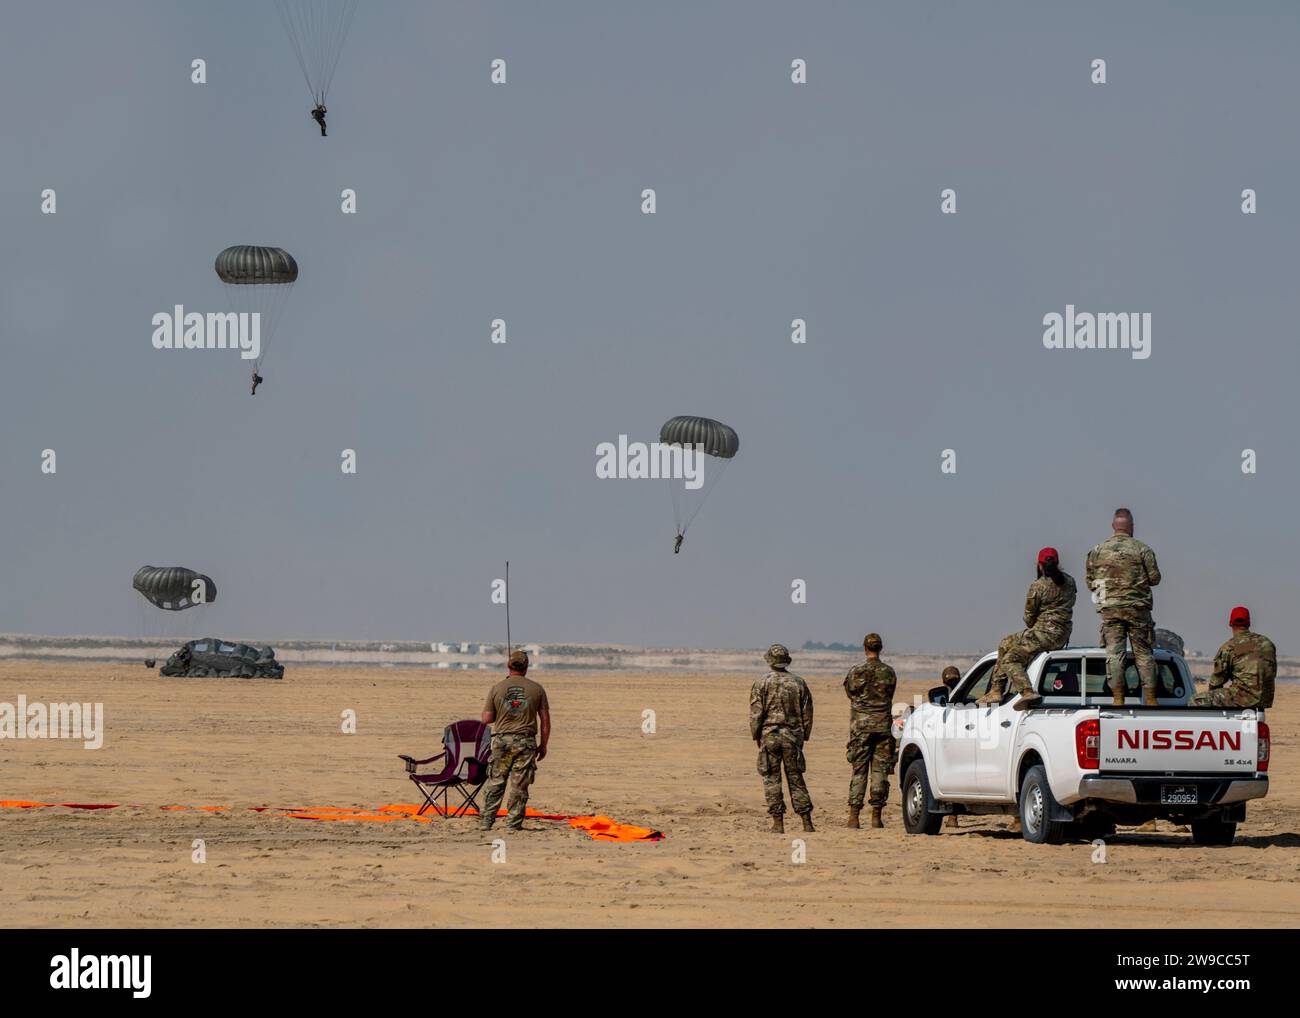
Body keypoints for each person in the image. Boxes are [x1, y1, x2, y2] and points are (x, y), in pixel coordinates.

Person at [979, 548, 1076, 710]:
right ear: (1058, 563)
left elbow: (1029, 619)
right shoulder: (1070, 582)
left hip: (1043, 635)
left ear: (1040, 565)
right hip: (1062, 635)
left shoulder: (1037, 586)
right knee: (1006, 642)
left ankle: (1026, 691)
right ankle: (996, 689)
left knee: (1010, 659)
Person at [1086, 508, 1161, 705]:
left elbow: (1090, 582)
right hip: (1138, 610)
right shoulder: (1142, 550)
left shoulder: (1097, 551)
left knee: (1114, 654)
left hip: (1110, 611)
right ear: (1132, 527)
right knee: (1144, 654)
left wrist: (1105, 596)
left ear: (1113, 526)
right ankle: (1151, 699)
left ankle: (1118, 699)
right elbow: (1155, 579)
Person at [479, 649, 550, 831]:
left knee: (496, 782)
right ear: (526, 667)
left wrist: (504, 712)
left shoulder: (497, 688)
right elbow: (545, 722)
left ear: (508, 666)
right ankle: (512, 824)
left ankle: (486, 822)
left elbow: (486, 718)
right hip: (526, 743)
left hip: (501, 742)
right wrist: (544, 745)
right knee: (519, 785)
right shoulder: (537, 689)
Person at [750, 643, 814, 834]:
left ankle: (778, 823)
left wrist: (756, 735)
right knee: (796, 779)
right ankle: (806, 822)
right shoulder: (799, 683)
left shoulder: (761, 683)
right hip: (793, 737)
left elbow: (756, 713)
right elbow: (807, 714)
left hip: (770, 736)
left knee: (771, 779)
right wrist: (804, 736)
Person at [844, 633, 898, 829]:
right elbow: (890, 694)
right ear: (880, 648)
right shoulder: (889, 672)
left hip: (861, 726)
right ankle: (876, 816)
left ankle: (854, 816)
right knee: (880, 771)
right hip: (883, 725)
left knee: (859, 771)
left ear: (865, 648)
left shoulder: (855, 671)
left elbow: (850, 693)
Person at [1192, 606, 1276, 709]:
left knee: (1195, 701)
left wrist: (1213, 694)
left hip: (1242, 699)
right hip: (1265, 699)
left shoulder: (1229, 647)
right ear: (1249, 623)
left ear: (1230, 623)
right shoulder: (1267, 643)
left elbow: (1217, 681)